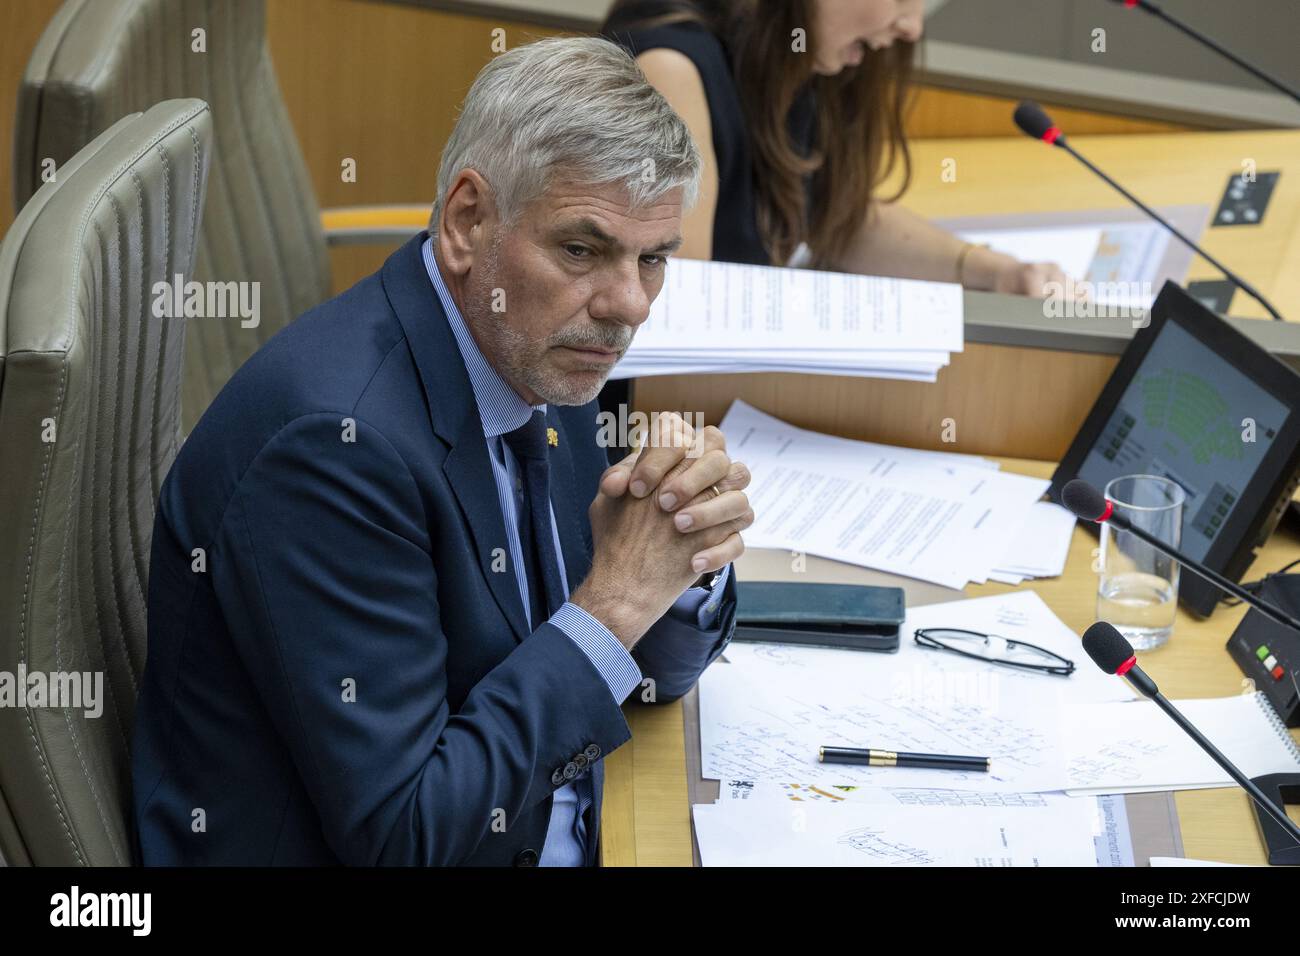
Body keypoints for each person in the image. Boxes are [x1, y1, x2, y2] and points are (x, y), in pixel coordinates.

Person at [132, 36, 752, 867]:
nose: (629, 305)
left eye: (654, 259)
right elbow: (409, 838)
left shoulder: (537, 346)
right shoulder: (334, 452)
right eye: (583, 249)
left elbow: (632, 675)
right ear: (468, 221)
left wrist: (679, 557)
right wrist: (617, 602)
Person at [603, 0, 1069, 294]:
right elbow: (680, 305)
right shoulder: (673, 68)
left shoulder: (799, 53)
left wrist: (994, 273)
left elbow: (833, 215)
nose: (911, 26)